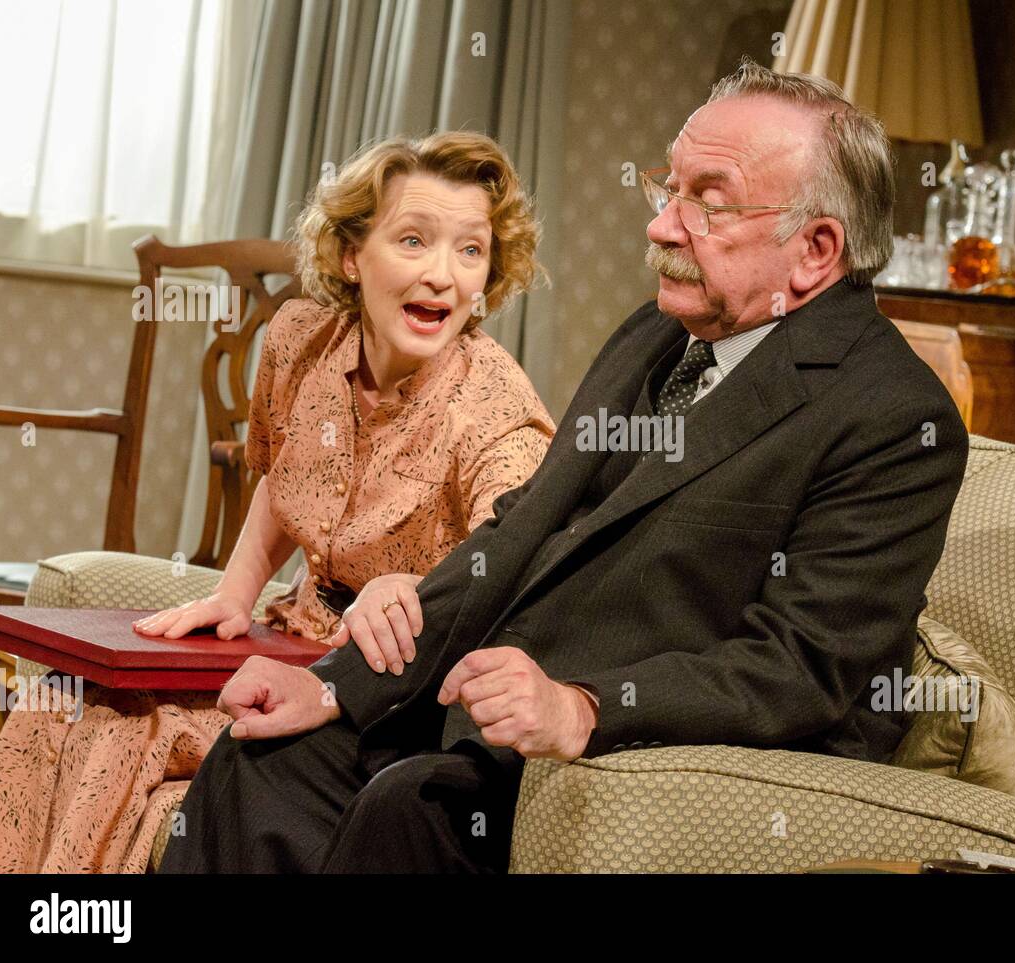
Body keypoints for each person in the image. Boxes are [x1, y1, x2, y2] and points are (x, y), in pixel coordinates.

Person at [160, 59, 970, 875]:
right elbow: (520, 527)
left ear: (816, 250)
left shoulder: (895, 419)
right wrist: (338, 684)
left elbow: (801, 667)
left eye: (707, 203)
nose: (661, 228)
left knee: (411, 807)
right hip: (495, 732)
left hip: (653, 761)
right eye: (668, 190)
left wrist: (585, 704)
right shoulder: (654, 337)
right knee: (261, 761)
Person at [0, 131, 555, 873]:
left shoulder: (497, 404)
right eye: (413, 240)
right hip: (286, 635)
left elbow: (511, 557)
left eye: (470, 251)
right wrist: (235, 590)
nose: (442, 276)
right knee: (59, 701)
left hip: (384, 695)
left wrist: (414, 588)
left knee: (122, 727)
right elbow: (282, 481)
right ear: (353, 255)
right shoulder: (300, 339)